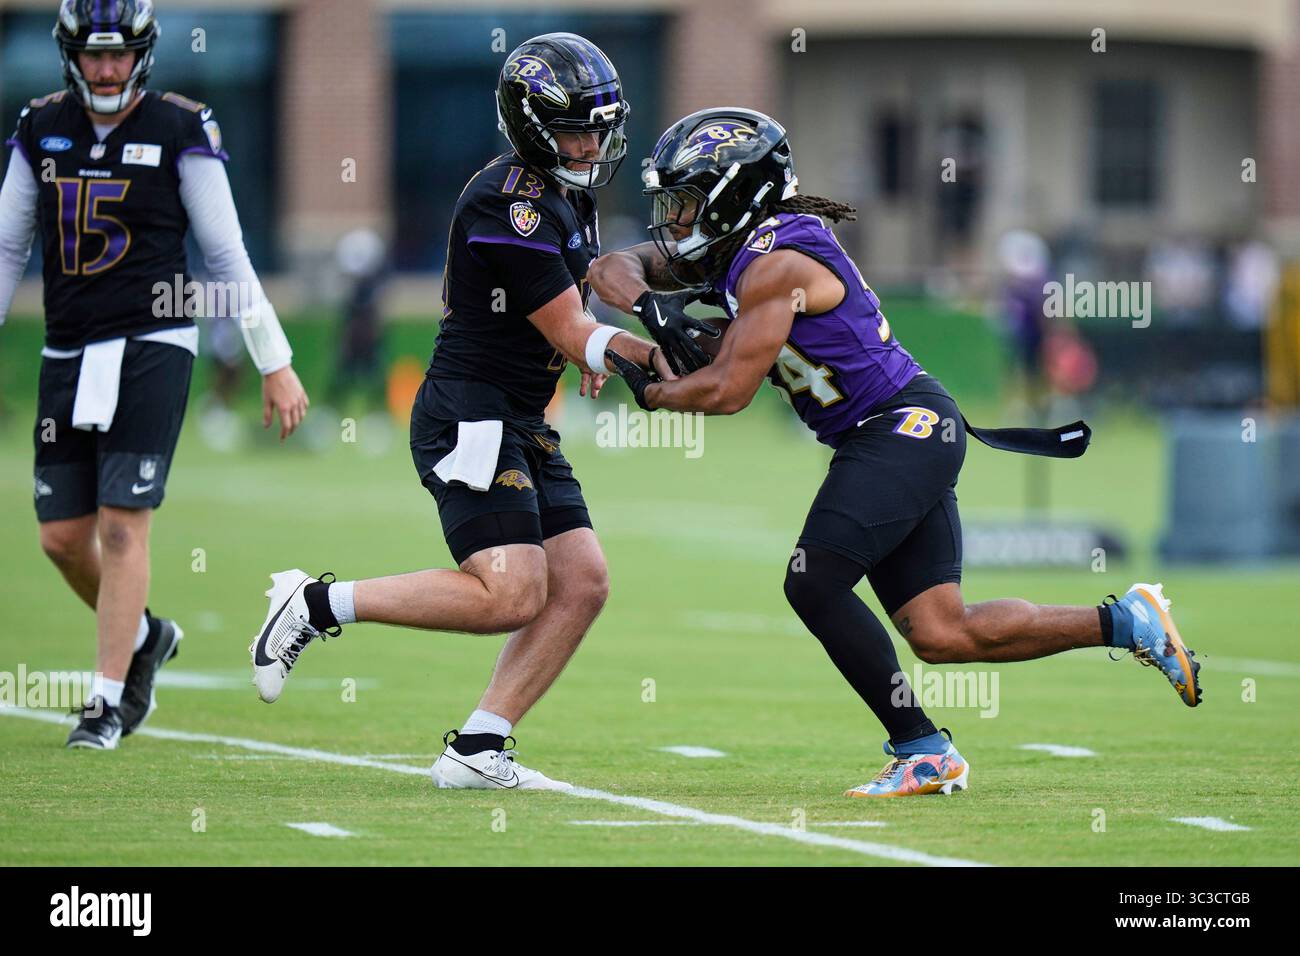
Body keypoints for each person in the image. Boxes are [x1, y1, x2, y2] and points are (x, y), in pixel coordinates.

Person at [590, 107, 1201, 798]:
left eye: (687, 201)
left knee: (811, 579)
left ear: (737, 194)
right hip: (900, 430)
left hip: (899, 427)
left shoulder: (776, 263)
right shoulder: (740, 251)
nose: (673, 219)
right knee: (944, 634)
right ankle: (1128, 621)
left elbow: (728, 390)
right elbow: (609, 267)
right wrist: (651, 309)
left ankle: (923, 748)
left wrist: (649, 384)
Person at [249, 33, 672, 791]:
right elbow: (572, 325)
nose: (592, 143)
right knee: (511, 591)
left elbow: (571, 316)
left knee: (581, 582)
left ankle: (479, 747)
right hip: (469, 415)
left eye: (600, 128)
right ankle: (313, 602)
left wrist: (595, 357)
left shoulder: (568, 190)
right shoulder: (508, 201)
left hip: (518, 416)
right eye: (576, 128)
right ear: (531, 124)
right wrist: (647, 356)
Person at [0, 0, 309, 749]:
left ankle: (106, 701)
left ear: (143, 51)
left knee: (120, 524)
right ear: (69, 53)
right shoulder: (40, 125)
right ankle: (145, 635)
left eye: (119, 53)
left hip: (153, 341)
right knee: (60, 537)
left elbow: (228, 255)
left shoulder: (179, 126)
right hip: (68, 348)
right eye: (92, 54)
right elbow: (8, 249)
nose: (106, 69)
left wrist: (275, 360)